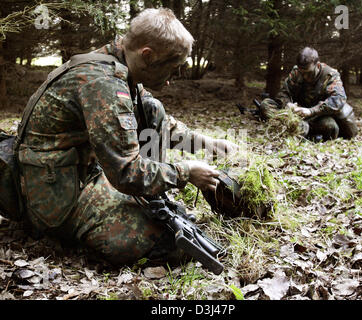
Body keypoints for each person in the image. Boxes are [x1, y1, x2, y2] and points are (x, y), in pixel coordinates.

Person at [18, 8, 237, 267]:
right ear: (148, 55)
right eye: (172, 68)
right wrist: (185, 173)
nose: (172, 80)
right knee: (164, 242)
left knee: (153, 108)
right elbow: (126, 172)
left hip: (84, 169)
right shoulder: (103, 83)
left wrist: (206, 143)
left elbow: (157, 122)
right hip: (55, 190)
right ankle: (65, 226)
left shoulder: (120, 62)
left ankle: (148, 200)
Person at [261, 47, 358, 141]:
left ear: (318, 65)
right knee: (266, 104)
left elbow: (338, 100)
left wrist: (311, 111)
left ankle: (298, 128)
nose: (305, 76)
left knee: (331, 127)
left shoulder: (330, 75)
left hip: (316, 116)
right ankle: (297, 127)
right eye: (302, 73)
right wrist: (288, 104)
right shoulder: (296, 72)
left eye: (309, 73)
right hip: (296, 113)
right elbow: (283, 93)